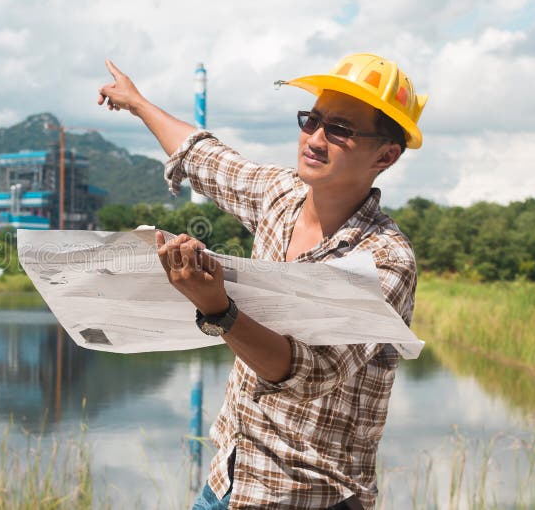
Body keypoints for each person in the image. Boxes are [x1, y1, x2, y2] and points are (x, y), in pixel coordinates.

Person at [97, 53, 427, 509]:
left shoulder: (384, 259)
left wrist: (220, 312)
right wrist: (136, 102)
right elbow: (205, 158)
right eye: (312, 120)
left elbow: (312, 373)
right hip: (229, 482)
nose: (315, 138)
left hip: (309, 497)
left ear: (386, 155)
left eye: (341, 129)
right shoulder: (280, 198)